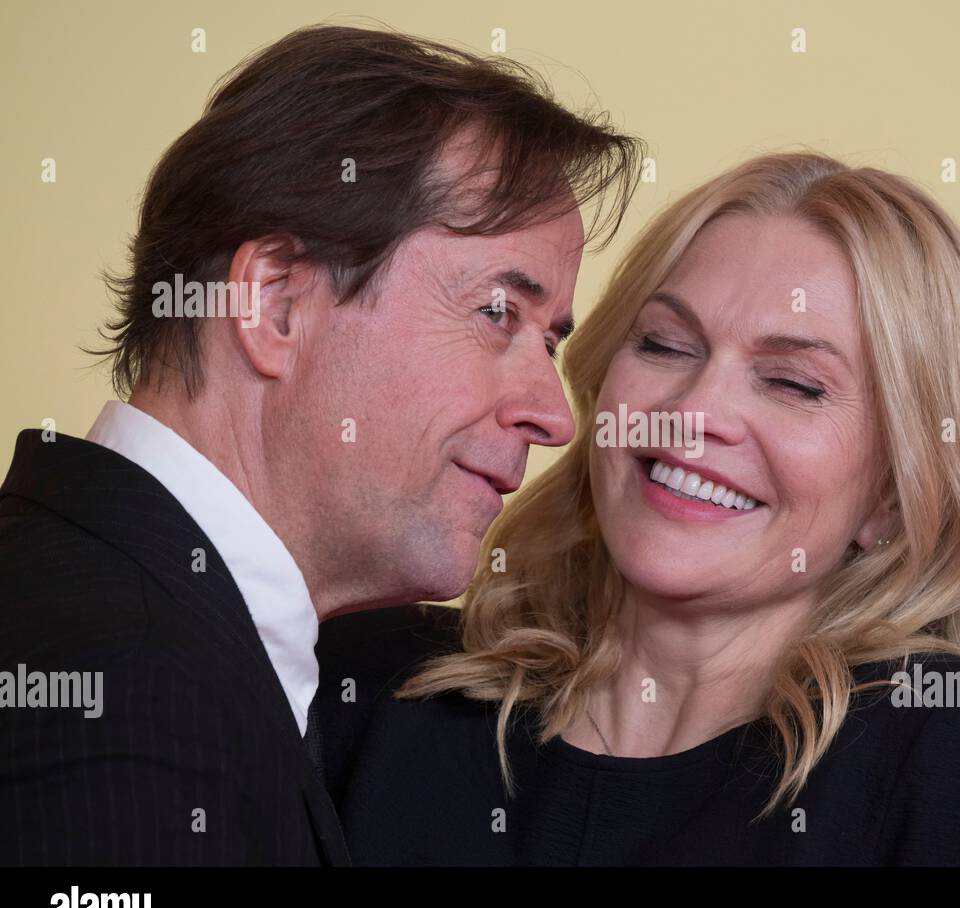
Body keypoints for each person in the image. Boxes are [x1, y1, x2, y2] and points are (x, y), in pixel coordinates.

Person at [317, 151, 960, 866]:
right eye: (665, 345)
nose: (694, 412)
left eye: (794, 384)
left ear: (894, 499)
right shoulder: (371, 676)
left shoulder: (955, 742)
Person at [0, 24, 642, 865]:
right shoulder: (129, 704)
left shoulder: (132, 620)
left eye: (549, 339)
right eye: (496, 312)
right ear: (274, 305)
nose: (554, 417)